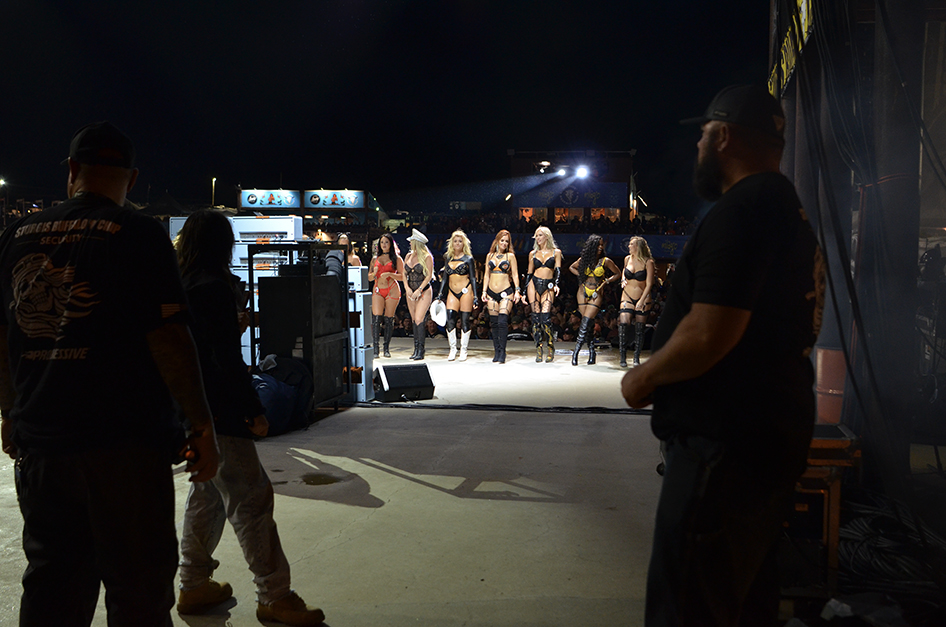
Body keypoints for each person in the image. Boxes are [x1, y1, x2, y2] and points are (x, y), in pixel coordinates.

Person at [0, 122, 219, 626]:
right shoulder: (139, 234)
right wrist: (201, 424)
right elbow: (168, 337)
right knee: (138, 590)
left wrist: (10, 411)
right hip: (125, 448)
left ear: (72, 170)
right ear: (132, 178)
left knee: (52, 586)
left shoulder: (15, 236)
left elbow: (0, 336)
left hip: (44, 446)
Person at [621, 85, 825, 626]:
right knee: (742, 603)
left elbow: (712, 330)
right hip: (764, 436)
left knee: (689, 605)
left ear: (725, 136)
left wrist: (644, 377)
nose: (698, 146)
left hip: (723, 445)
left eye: (704, 134)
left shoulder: (744, 210)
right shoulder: (786, 208)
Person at [174, 210, 324, 626]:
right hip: (221, 409)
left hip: (192, 408)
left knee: (206, 495)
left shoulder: (182, 284)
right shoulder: (215, 288)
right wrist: (253, 410)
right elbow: (225, 360)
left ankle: (193, 583)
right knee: (251, 499)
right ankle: (274, 595)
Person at [568, 234, 619, 365]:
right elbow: (571, 267)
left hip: (597, 292)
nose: (601, 247)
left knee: (585, 322)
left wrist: (607, 281)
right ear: (592, 246)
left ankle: (576, 352)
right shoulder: (584, 259)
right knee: (588, 323)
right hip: (582, 291)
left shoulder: (606, 261)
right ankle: (592, 352)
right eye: (598, 245)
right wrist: (581, 275)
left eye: (602, 245)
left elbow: (617, 273)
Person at [436, 229, 479, 361]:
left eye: (460, 241)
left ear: (464, 243)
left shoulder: (468, 259)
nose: (458, 243)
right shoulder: (448, 258)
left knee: (465, 320)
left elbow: (473, 278)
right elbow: (444, 278)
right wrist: (440, 293)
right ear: (452, 243)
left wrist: (475, 296)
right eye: (455, 241)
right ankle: (453, 348)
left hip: (466, 291)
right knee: (450, 319)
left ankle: (464, 349)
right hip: (452, 292)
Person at [522, 226, 562, 362]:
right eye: (536, 236)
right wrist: (523, 293)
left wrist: (556, 284)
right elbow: (529, 273)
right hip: (533, 284)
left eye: (540, 235)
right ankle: (538, 349)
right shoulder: (533, 254)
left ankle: (550, 347)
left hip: (548, 285)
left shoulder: (556, 252)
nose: (538, 238)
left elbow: (558, 270)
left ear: (547, 236)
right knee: (535, 319)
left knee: (545, 319)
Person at [481, 229, 520, 363]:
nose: (504, 243)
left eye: (507, 241)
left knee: (502, 322)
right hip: (491, 292)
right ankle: (497, 350)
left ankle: (502, 351)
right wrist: (484, 291)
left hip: (506, 292)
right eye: (502, 240)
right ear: (497, 241)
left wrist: (518, 290)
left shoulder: (510, 256)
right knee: (494, 323)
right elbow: (486, 275)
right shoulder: (489, 255)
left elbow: (515, 274)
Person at [619, 236, 656, 367]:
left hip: (643, 296)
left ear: (638, 246)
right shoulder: (627, 259)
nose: (629, 246)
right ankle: (622, 356)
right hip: (627, 295)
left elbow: (649, 284)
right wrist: (623, 279)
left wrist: (641, 300)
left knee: (639, 328)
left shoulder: (648, 262)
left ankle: (636, 357)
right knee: (624, 323)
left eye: (631, 244)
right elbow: (624, 270)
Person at [367, 233, 404, 358]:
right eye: (382, 242)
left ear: (391, 244)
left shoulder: (397, 259)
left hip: (392, 289)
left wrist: (390, 274)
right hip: (378, 289)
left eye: (386, 242)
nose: (384, 244)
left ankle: (386, 347)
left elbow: (402, 276)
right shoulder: (375, 259)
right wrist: (374, 274)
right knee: (376, 318)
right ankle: (375, 348)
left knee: (388, 319)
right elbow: (369, 277)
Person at [403, 228, 434, 360]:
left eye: (411, 241)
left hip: (424, 290)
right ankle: (416, 349)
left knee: (419, 319)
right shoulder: (408, 256)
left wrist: (419, 290)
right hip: (410, 291)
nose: (410, 243)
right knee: (414, 320)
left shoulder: (427, 257)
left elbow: (429, 276)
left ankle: (421, 350)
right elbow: (404, 274)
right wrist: (407, 288)